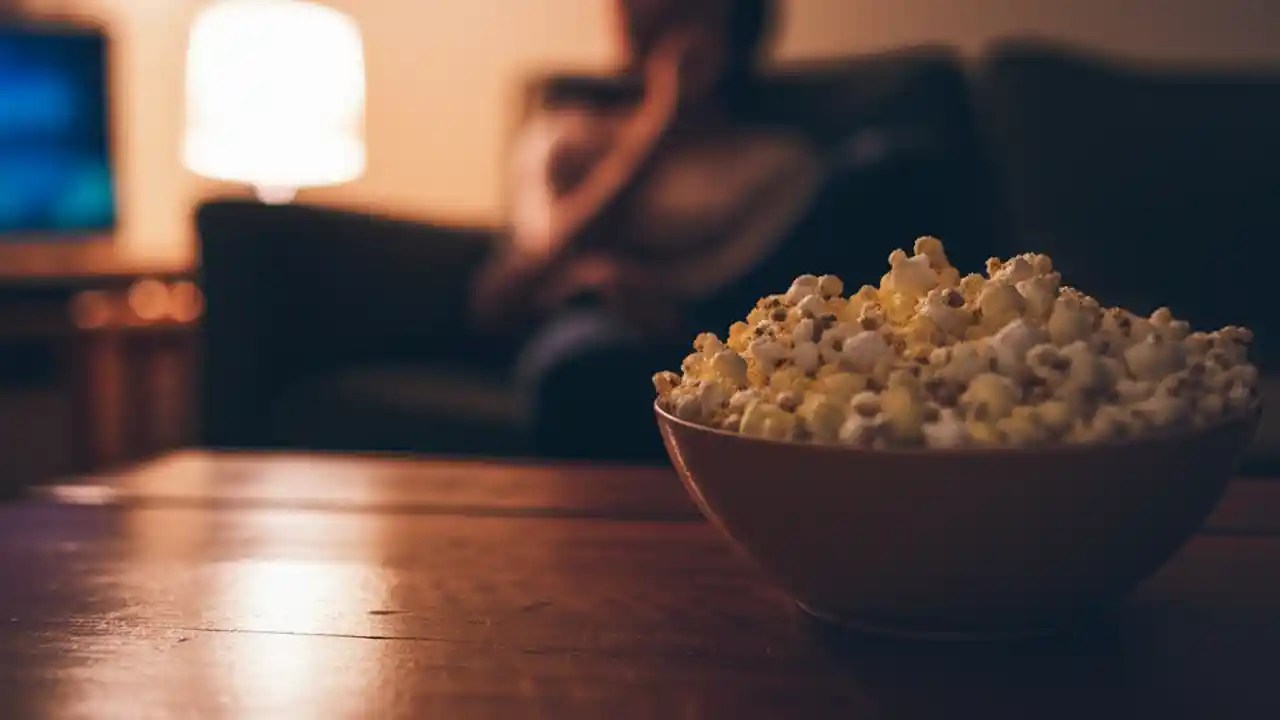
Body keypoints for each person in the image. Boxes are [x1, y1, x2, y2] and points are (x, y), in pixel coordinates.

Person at [470, 0, 823, 459]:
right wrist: (657, 127)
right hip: (572, 330)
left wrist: (644, 293)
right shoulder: (564, 136)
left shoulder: (777, 163)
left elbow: (746, 301)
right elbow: (530, 268)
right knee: (581, 360)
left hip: (701, 340)